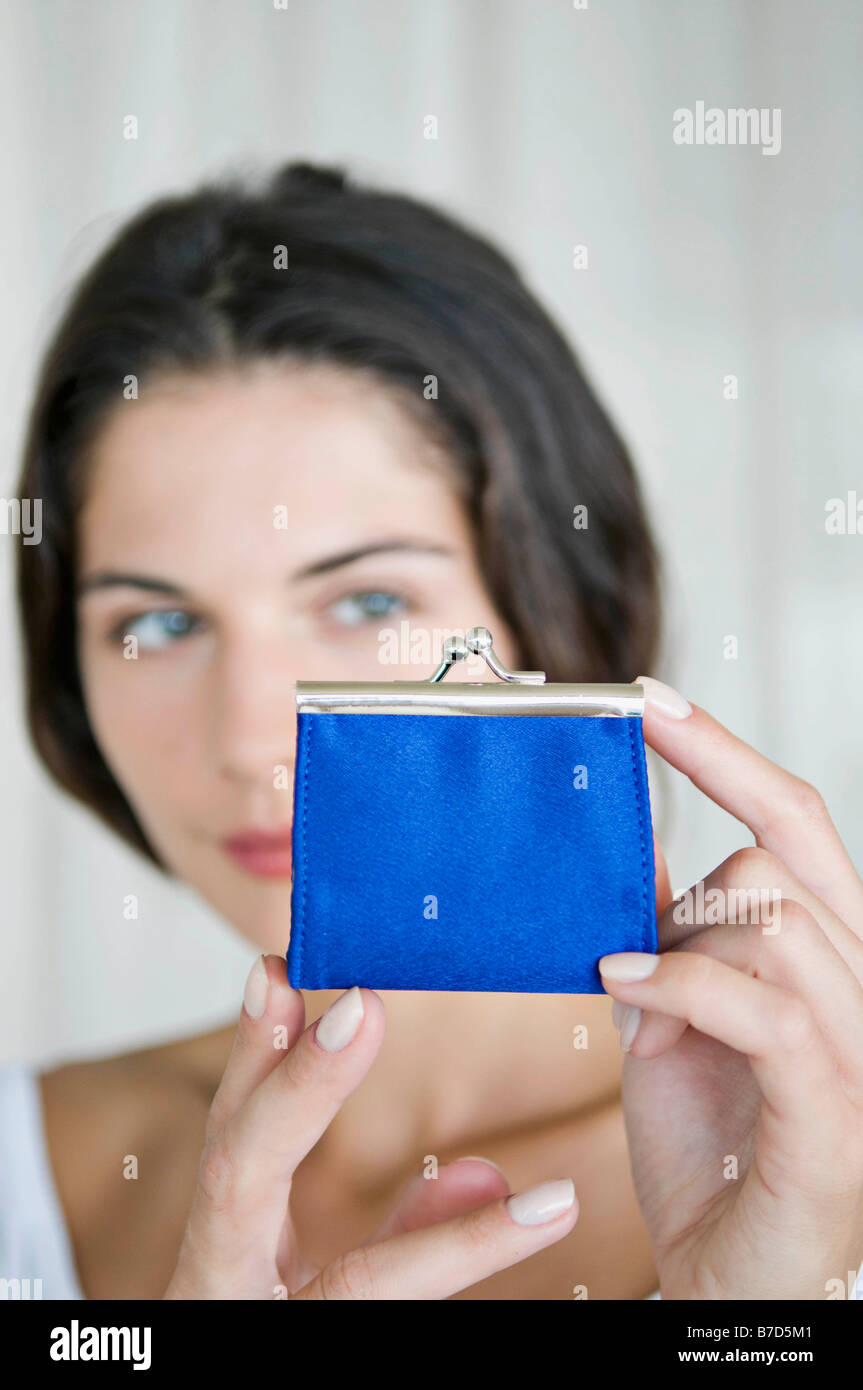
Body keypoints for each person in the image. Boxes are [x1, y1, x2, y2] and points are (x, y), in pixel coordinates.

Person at [4, 161, 862, 1301]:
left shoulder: (807, 1172)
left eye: (366, 602)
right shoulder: (29, 1169)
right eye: (158, 620)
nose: (257, 736)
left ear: (556, 603)